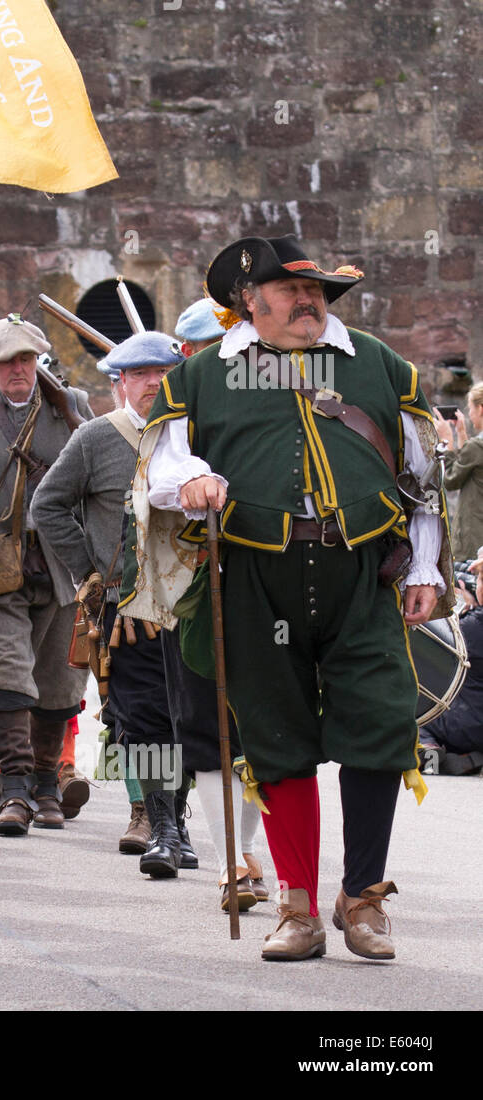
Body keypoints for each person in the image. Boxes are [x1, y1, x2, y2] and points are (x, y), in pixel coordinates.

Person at [124, 234, 451, 961]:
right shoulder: (203, 376)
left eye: (318, 291)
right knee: (274, 736)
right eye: (292, 291)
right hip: (252, 576)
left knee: (381, 723)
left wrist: (425, 567)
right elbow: (164, 466)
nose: (311, 302)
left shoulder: (378, 366)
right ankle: (298, 907)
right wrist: (195, 483)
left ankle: (362, 897)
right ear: (249, 300)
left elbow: (423, 475)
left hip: (362, 572)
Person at [33, 331, 196, 876]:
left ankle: (179, 819)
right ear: (119, 381)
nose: (154, 383)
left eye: (163, 373)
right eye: (141, 374)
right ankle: (163, 828)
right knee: (142, 719)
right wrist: (91, 571)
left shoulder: (198, 435)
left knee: (189, 717)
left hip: (192, 605)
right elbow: (49, 505)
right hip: (126, 612)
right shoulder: (97, 438)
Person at [0, 316, 93, 836]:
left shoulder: (70, 405)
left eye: (26, 359)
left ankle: (45, 784)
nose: (17, 370)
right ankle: (12, 788)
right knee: (4, 670)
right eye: (6, 361)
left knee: (60, 679)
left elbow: (95, 472)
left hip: (61, 560)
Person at [434, 381, 483, 563]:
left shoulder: (477, 447)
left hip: (473, 539)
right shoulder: (476, 447)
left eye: (471, 408)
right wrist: (461, 434)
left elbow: (451, 480)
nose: (469, 415)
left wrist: (447, 442)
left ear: (481, 409)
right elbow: (469, 465)